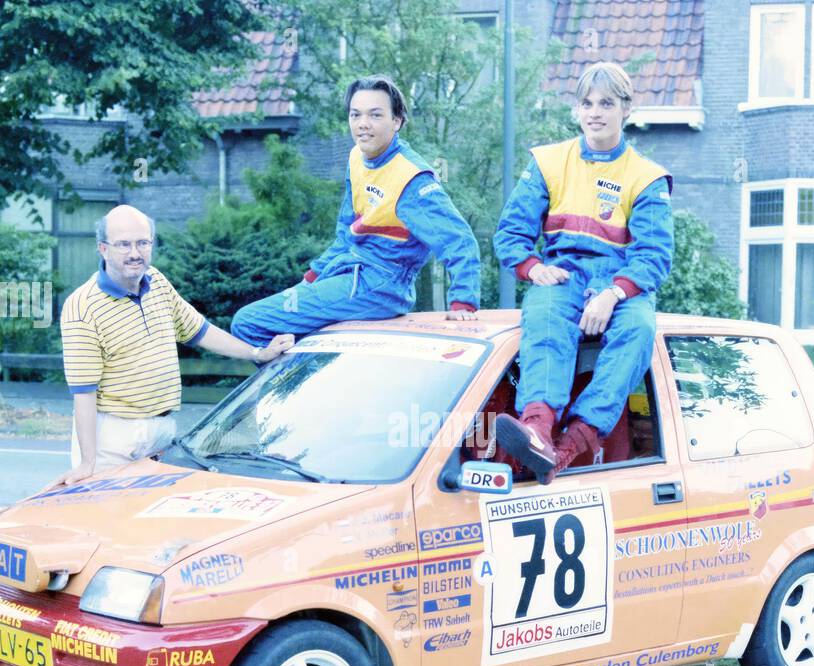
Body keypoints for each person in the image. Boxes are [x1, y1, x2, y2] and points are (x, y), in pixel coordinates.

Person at [492, 61, 674, 484]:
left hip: (621, 281)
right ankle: (537, 426)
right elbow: (511, 232)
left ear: (625, 109)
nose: (595, 112)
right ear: (577, 110)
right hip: (564, 273)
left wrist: (613, 293)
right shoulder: (548, 161)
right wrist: (533, 267)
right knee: (545, 316)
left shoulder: (647, 177)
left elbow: (655, 256)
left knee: (638, 331)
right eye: (587, 103)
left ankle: (572, 444)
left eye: (606, 103)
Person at [51, 204, 292, 487]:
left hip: (161, 433)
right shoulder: (82, 306)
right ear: (103, 249)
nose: (134, 253)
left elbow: (201, 331)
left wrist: (257, 353)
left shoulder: (158, 283)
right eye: (123, 244)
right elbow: (84, 393)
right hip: (113, 440)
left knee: (153, 524)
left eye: (142, 243)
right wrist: (87, 463)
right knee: (111, 524)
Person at [230, 75, 481, 346]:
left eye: (375, 115)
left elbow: (459, 241)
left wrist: (463, 302)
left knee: (248, 323)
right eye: (355, 115)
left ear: (396, 121)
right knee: (286, 331)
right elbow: (347, 232)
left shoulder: (412, 179)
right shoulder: (357, 158)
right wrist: (314, 276)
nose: (363, 124)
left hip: (382, 285)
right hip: (348, 270)